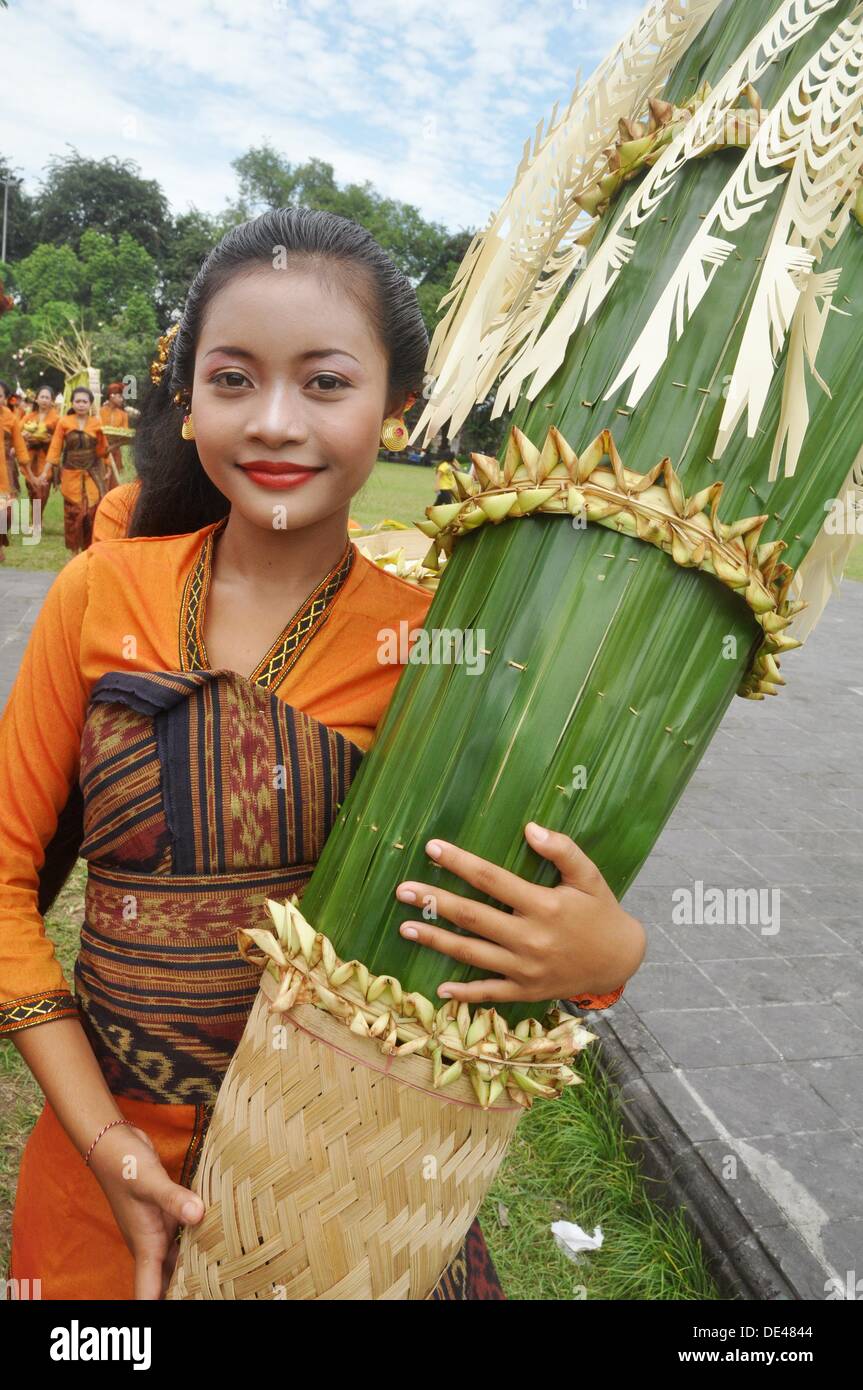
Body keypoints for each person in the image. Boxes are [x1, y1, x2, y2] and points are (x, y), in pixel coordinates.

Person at [0, 207, 637, 1303]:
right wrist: (109, 1147)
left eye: (326, 383)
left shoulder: (437, 648)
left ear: (395, 410)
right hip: (100, 1183)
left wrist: (605, 960)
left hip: (345, 1209)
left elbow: (508, 911)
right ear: (187, 397)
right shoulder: (101, 593)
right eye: (234, 379)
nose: (275, 422)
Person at [44, 386, 110, 553]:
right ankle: (74, 551)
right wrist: (47, 470)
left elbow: (103, 448)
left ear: (90, 404)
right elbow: (55, 448)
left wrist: (108, 463)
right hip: (70, 473)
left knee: (90, 513)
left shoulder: (97, 423)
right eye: (77, 401)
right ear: (72, 403)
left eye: (84, 401)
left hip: (92, 474)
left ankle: (89, 549)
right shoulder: (64, 422)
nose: (81, 404)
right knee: (74, 513)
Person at [0, 378, 31, 559]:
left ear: (5, 398)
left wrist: (31, 473)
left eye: (0, 395)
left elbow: (19, 446)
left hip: (5, 469)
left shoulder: (10, 417)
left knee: (6, 512)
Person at [20, 384, 60, 509]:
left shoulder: (57, 418)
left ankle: (37, 521)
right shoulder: (29, 416)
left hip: (47, 457)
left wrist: (49, 439)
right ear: (36, 399)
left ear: (52, 401)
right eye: (42, 397)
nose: (44, 400)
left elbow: (60, 438)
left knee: (42, 490)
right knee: (32, 489)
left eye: (47, 397)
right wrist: (24, 436)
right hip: (30, 457)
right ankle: (36, 520)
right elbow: (18, 433)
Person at [99, 381, 130, 492]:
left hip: (115, 453)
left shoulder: (123, 415)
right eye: (120, 396)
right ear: (111, 396)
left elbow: (125, 435)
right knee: (100, 484)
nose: (122, 399)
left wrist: (114, 445)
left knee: (114, 485)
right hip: (100, 453)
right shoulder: (99, 412)